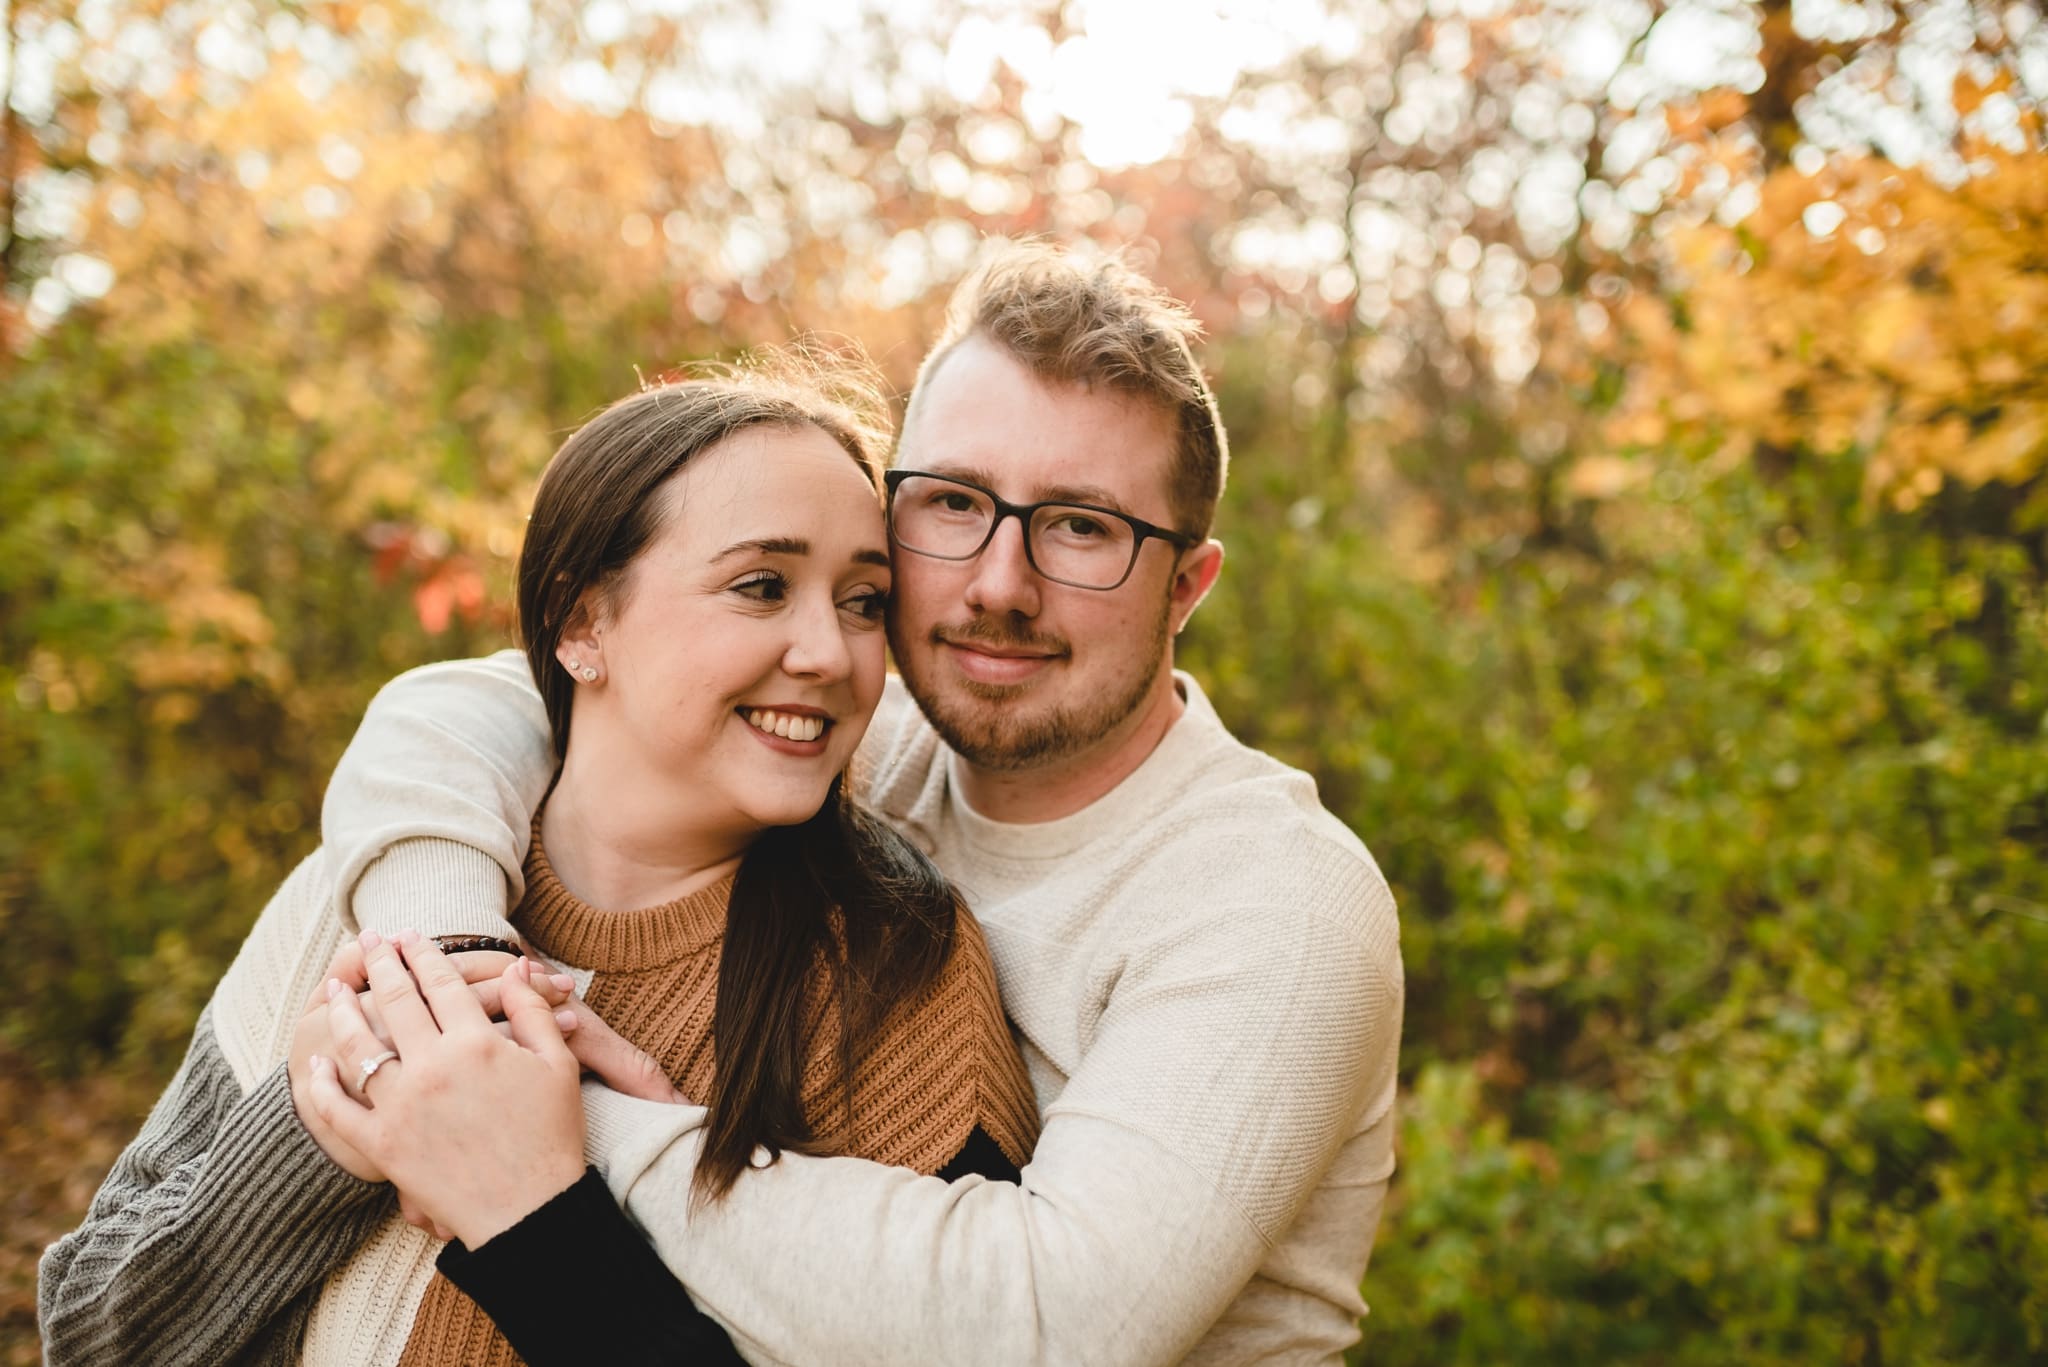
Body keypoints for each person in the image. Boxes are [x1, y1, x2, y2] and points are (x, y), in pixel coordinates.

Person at [310, 240, 1405, 1364]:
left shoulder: (1273, 900)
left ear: (1186, 586)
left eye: (1082, 526)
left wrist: (528, 1113)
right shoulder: (862, 733)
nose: (997, 584)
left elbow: (1047, 1322)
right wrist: (438, 960)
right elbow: (482, 703)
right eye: (953, 502)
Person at [38, 363, 1040, 1366]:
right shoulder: (372, 892)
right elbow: (93, 1337)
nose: (830, 650)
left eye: (864, 600)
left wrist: (537, 1202)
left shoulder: (895, 972)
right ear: (577, 624)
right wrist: (326, 1125)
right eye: (760, 586)